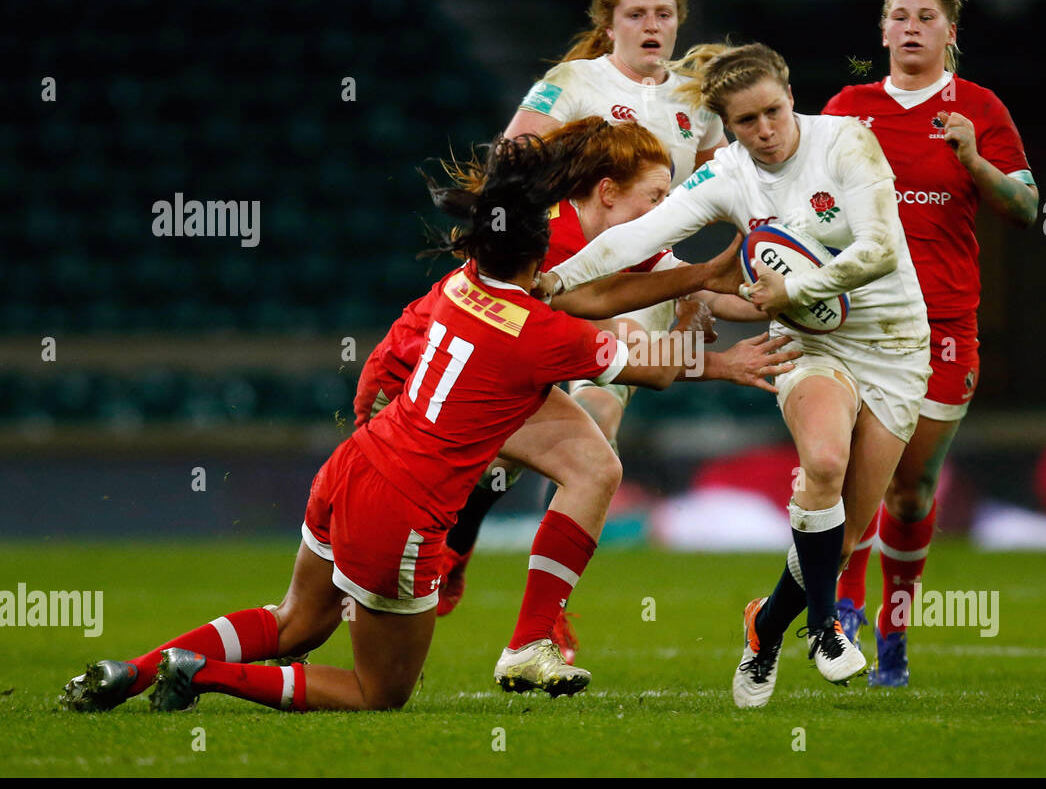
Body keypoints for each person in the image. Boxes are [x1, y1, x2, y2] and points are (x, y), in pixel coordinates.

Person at [56, 132, 751, 713]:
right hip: (404, 513)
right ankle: (199, 674)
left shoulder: (456, 286)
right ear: (543, 257)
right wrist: (719, 351)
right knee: (378, 691)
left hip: (351, 465)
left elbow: (402, 351)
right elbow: (654, 368)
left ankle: (136, 669)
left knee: (294, 622)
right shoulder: (546, 334)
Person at [536, 41, 933, 708]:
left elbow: (880, 248)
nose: (766, 131)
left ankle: (767, 622)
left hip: (895, 344)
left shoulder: (846, 142)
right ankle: (825, 626)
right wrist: (556, 280)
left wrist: (798, 290)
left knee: (842, 539)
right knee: (825, 463)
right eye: (746, 122)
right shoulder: (727, 173)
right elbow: (636, 239)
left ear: (788, 93)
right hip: (810, 345)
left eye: (774, 112)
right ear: (727, 125)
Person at [443, 0, 757, 656]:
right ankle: (462, 533)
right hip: (566, 271)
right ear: (608, 24)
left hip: (640, 277)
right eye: (638, 15)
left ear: (679, 24)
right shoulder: (573, 84)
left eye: (664, 15)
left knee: (594, 431)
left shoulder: (694, 96)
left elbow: (722, 188)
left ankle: (542, 618)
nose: (652, 26)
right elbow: (508, 162)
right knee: (533, 449)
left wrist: (696, 285)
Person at [822, 0, 1037, 685]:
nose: (911, 27)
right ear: (882, 30)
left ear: (949, 31)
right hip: (858, 318)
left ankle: (895, 624)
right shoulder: (849, 106)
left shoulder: (979, 106)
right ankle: (843, 613)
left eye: (926, 17)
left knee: (908, 486)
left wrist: (975, 160)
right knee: (851, 465)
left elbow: (1027, 205)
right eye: (900, 16)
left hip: (945, 320)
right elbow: (807, 198)